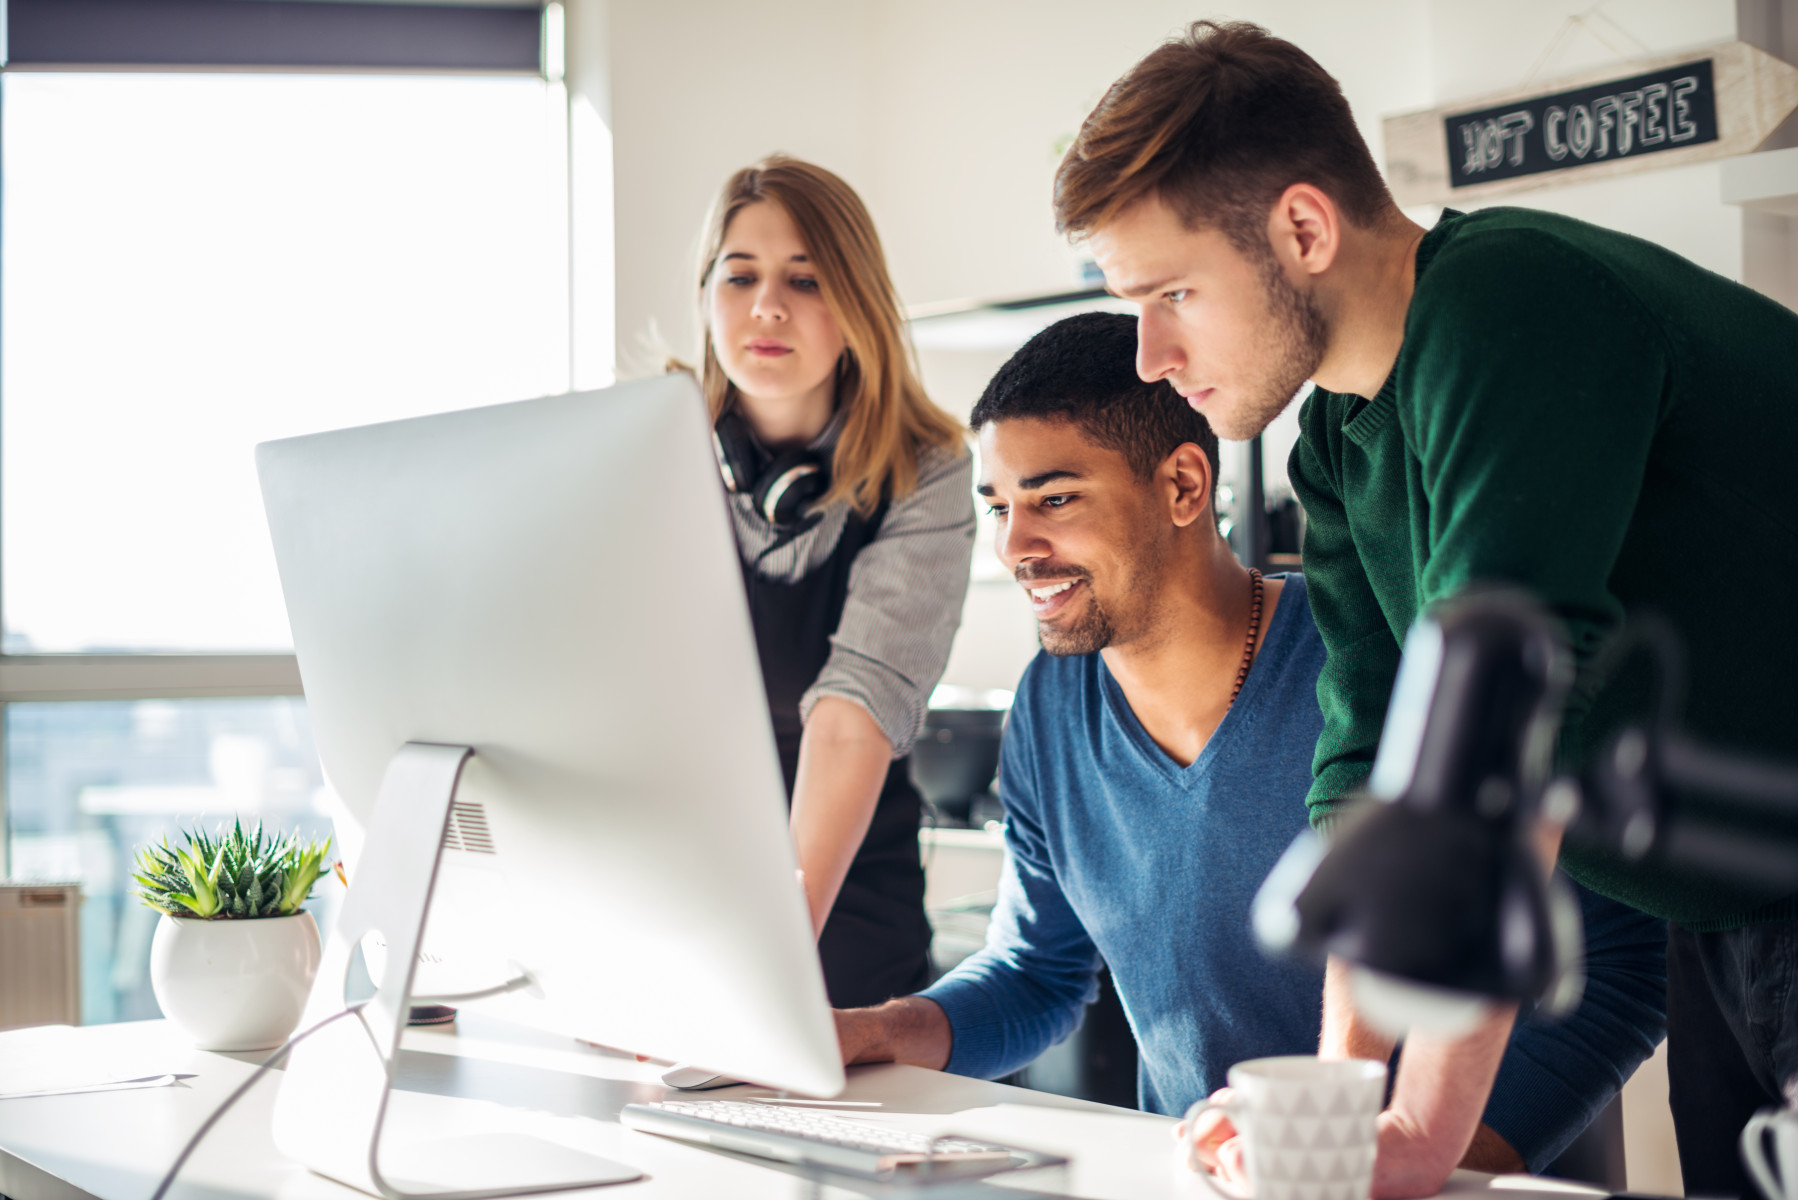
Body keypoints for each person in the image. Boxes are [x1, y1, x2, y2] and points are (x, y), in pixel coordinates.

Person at [1051, 20, 1798, 1198]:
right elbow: (1374, 776)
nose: (1148, 355)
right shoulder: (1338, 439)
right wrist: (1337, 1102)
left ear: (1303, 229)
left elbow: (1500, 728)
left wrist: (1418, 1128)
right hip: (1718, 909)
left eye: (1173, 293)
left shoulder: (1510, 302)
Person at [833, 311, 1667, 1174]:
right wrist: (878, 1030)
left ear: (1184, 486)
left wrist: (1418, 1166)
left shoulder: (1375, 666)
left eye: (1055, 499)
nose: (1016, 546)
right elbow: (1037, 971)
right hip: (1222, 1178)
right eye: (1000, 507)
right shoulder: (1050, 704)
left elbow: (1619, 964)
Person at [692, 155, 974, 1008]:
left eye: (806, 280)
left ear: (856, 305)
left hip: (845, 899)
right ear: (707, 297)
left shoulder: (925, 472)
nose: (767, 306)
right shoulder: (650, 450)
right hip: (683, 877)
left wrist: (775, 950)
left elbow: (853, 717)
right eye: (741, 275)